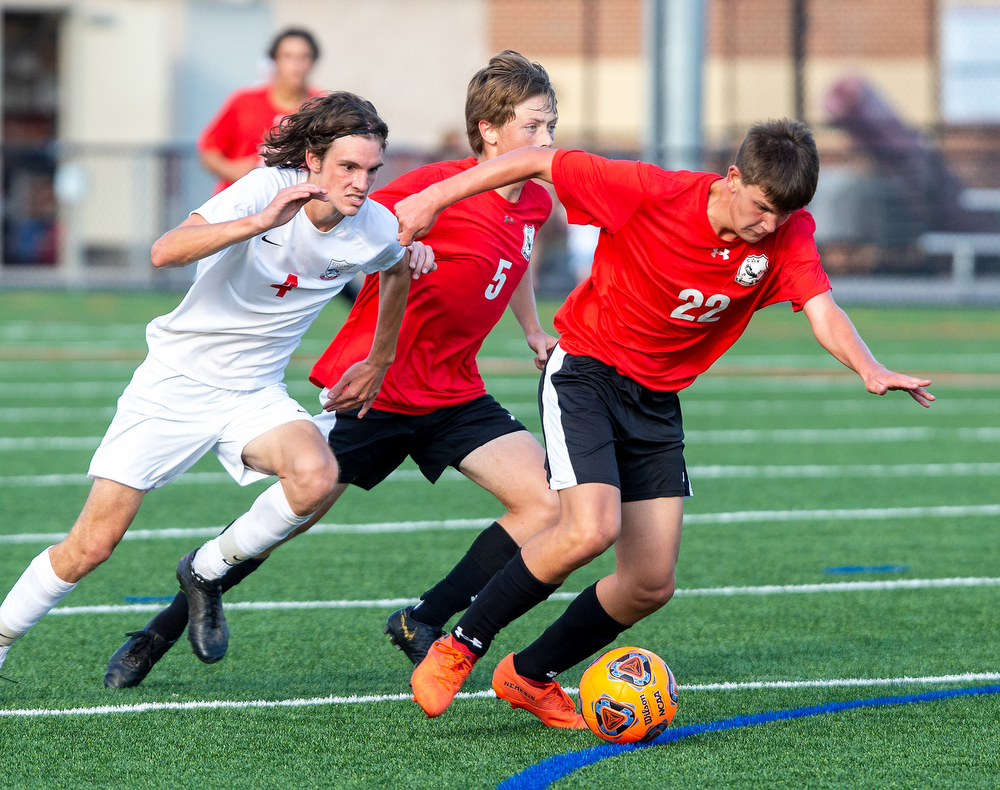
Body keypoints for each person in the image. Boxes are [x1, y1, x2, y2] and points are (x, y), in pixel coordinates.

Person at [394, 118, 935, 729]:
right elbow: (539, 160)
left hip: (656, 401)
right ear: (733, 179)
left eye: (784, 214)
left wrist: (868, 366)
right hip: (587, 374)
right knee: (588, 528)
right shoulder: (650, 191)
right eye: (761, 208)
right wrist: (430, 197)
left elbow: (822, 308)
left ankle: (528, 675)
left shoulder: (787, 232)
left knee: (649, 584)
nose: (770, 225)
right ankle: (460, 644)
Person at [102, 51, 564, 690]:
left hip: (454, 389)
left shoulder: (534, 203)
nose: (546, 141)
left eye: (551, 127)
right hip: (375, 385)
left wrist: (533, 326)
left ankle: (423, 619)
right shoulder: (434, 188)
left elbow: (516, 260)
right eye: (533, 126)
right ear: (488, 130)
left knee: (546, 503)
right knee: (288, 517)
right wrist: (409, 245)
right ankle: (160, 629)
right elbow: (365, 223)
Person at [0, 91, 435, 678]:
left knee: (317, 476)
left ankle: (204, 569)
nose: (361, 184)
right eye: (348, 168)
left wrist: (379, 360)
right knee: (91, 547)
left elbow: (397, 267)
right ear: (312, 162)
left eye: (371, 170)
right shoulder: (263, 189)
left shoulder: (374, 225)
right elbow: (164, 252)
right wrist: (258, 223)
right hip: (174, 384)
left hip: (253, 394)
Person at [199, 28, 323, 194]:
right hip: (240, 204)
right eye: (288, 56)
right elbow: (209, 151)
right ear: (275, 61)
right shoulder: (244, 102)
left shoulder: (323, 109)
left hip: (297, 208)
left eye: (303, 57)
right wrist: (231, 171)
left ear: (313, 62)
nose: (296, 64)